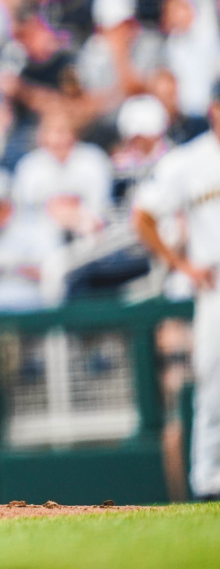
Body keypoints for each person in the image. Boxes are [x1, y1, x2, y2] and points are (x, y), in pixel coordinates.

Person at [133, 81, 220, 502]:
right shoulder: (190, 161)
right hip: (215, 283)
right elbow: (143, 215)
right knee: (213, 381)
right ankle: (207, 481)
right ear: (214, 109)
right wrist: (183, 265)